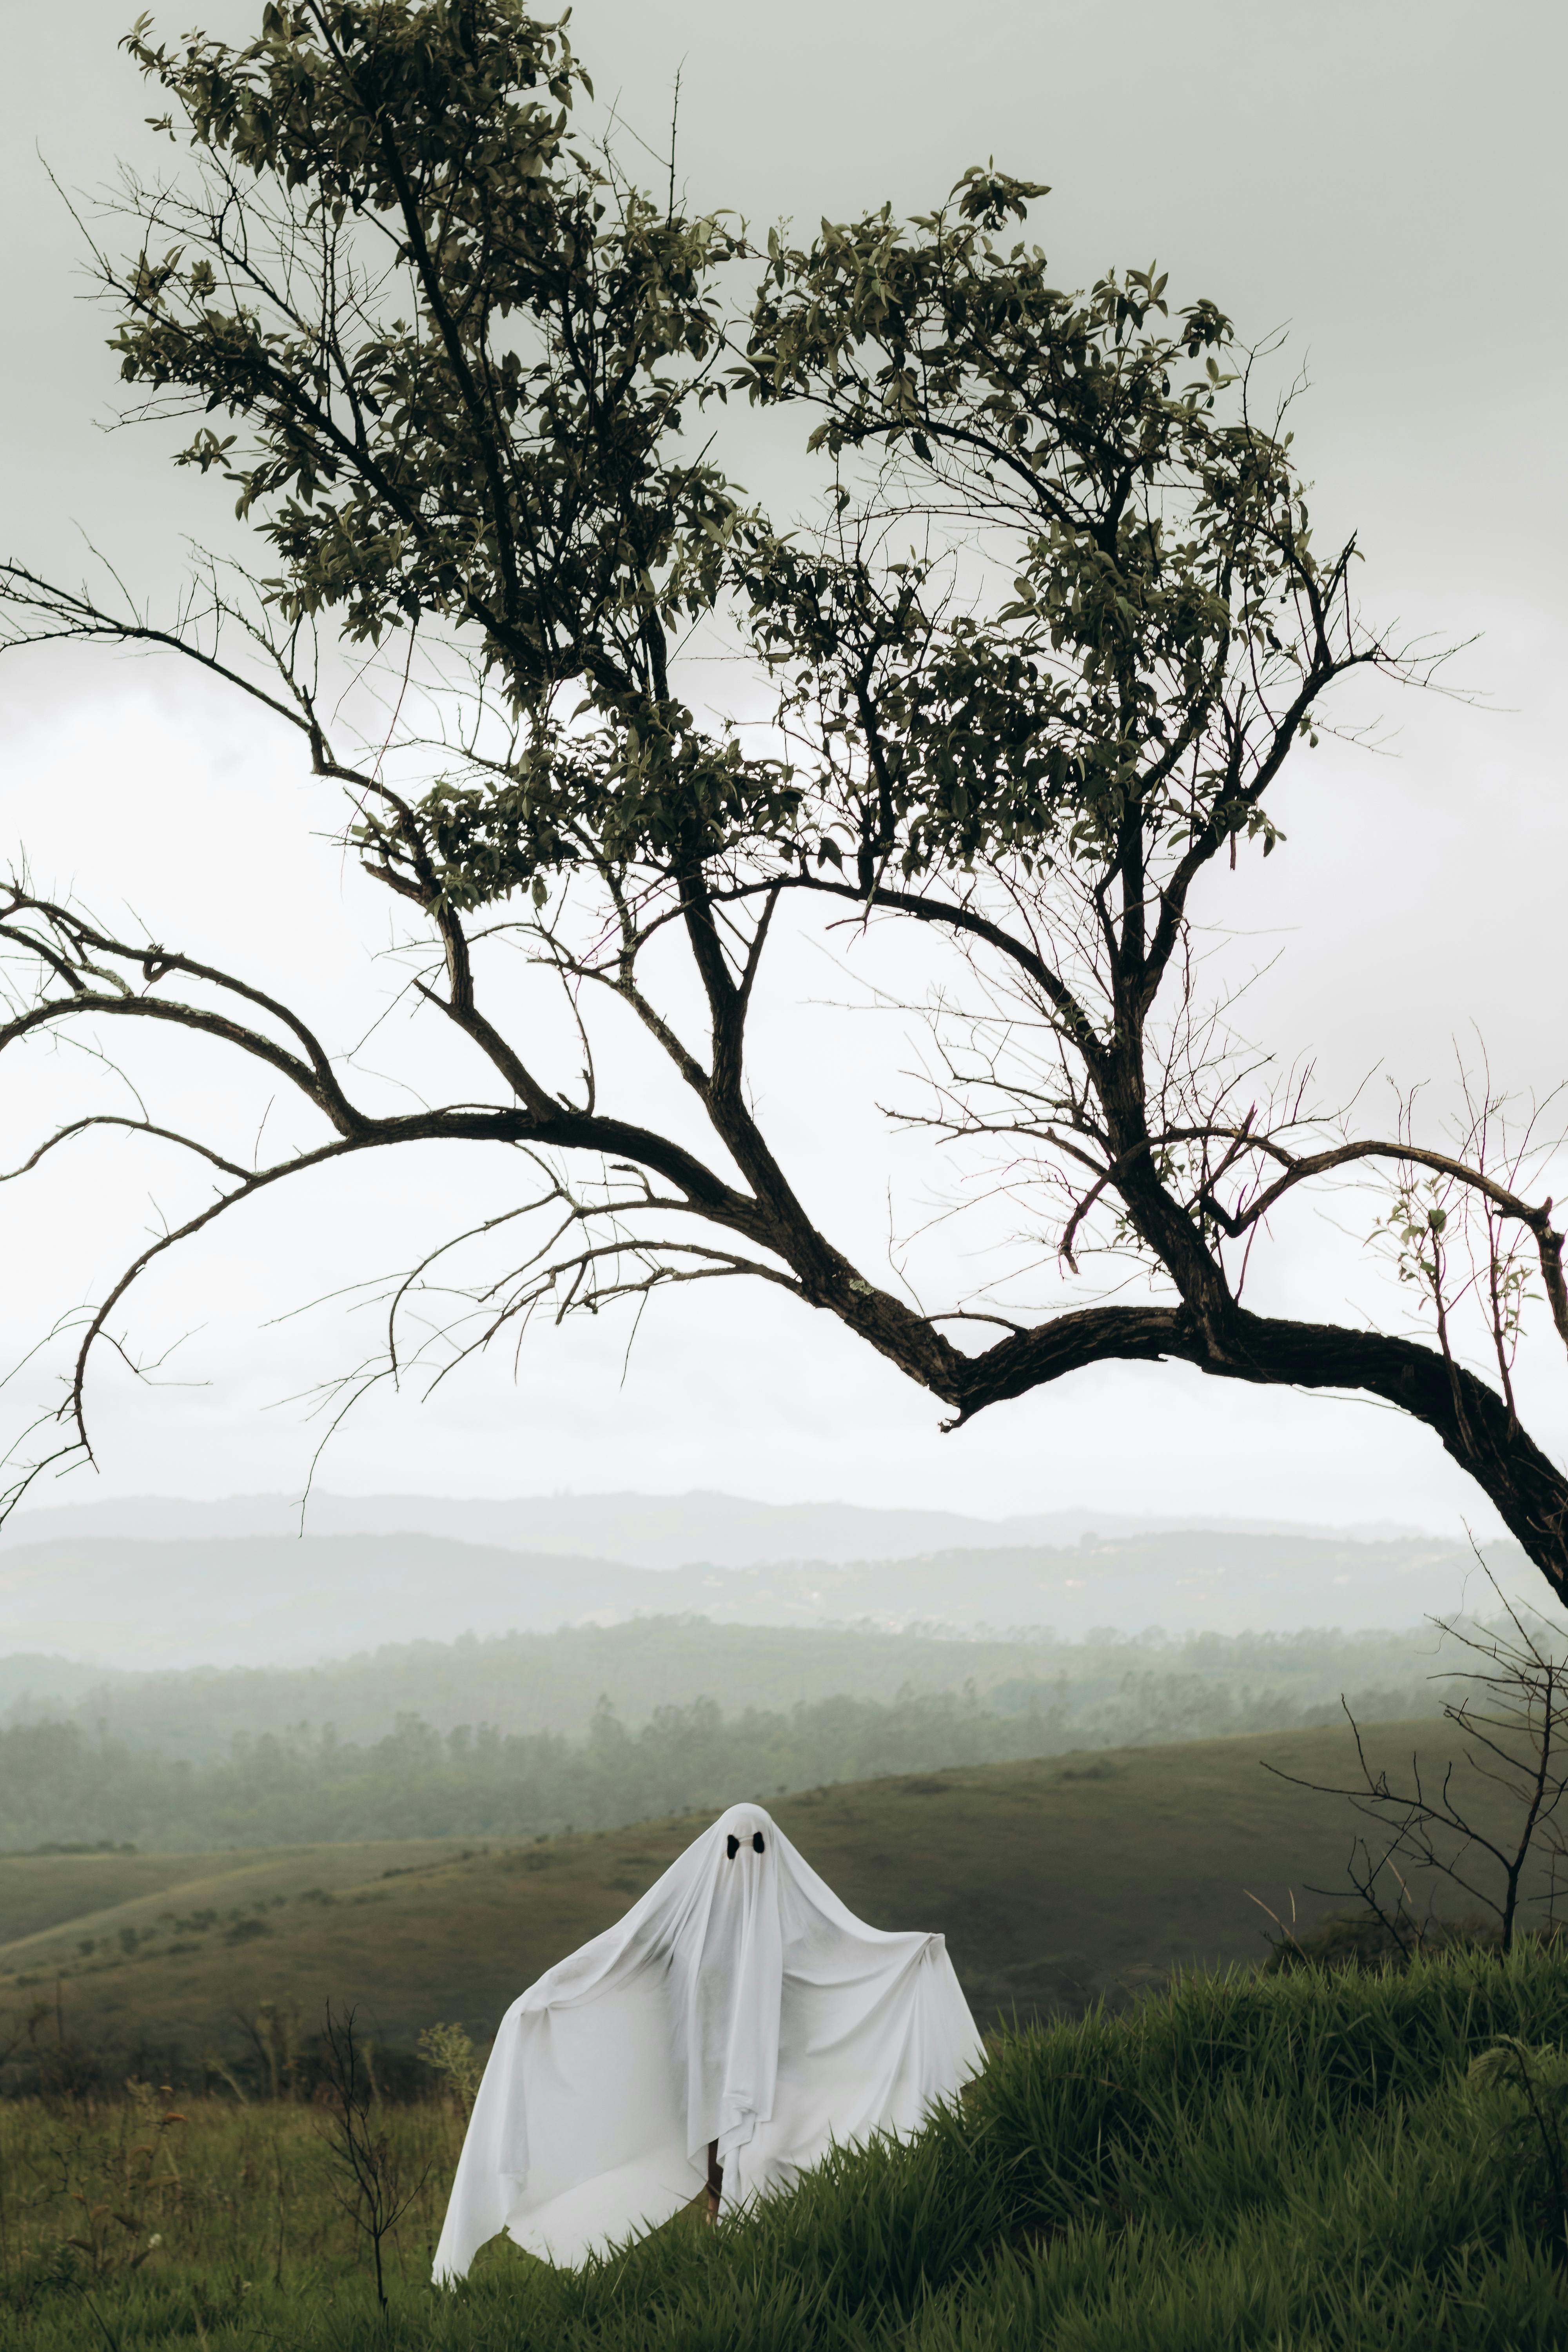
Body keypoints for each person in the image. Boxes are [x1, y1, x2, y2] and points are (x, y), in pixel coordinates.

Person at [432, 1800, 984, 2277]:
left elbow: (848, 1967)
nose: (746, 1858)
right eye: (734, 1848)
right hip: (707, 2085)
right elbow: (618, 1958)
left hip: (788, 2087)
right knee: (728, 2175)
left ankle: (786, 2267)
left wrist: (910, 1961)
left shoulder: (799, 1928)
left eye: (759, 1846)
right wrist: (548, 1995)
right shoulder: (690, 1930)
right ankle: (738, 2270)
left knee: (768, 2164)